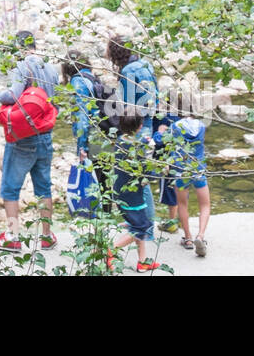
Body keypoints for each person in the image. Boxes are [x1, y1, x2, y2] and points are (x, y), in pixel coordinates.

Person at [0, 31, 59, 251]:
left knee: (10, 189)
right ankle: (46, 236)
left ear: (18, 48)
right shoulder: (51, 67)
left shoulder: (21, 67)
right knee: (44, 188)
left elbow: (12, 95)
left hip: (23, 139)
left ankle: (13, 237)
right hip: (45, 135)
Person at [107, 110, 160, 273]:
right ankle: (111, 250)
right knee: (142, 226)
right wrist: (156, 162)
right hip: (132, 196)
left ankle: (143, 261)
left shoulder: (119, 141)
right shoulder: (138, 147)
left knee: (137, 222)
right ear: (140, 126)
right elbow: (147, 174)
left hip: (120, 191)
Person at [157, 100, 210, 257]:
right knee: (205, 205)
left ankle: (187, 238)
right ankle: (200, 236)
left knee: (182, 203)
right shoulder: (201, 126)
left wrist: (160, 131)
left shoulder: (175, 127)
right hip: (198, 169)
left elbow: (161, 141)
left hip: (180, 170)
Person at [60, 50, 111, 214]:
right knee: (105, 182)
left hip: (93, 138)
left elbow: (82, 116)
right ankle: (107, 220)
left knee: (93, 182)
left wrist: (82, 146)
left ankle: (96, 224)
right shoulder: (93, 77)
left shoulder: (78, 82)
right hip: (106, 135)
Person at [106, 34, 157, 140]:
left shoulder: (128, 70)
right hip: (150, 115)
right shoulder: (145, 63)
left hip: (136, 122)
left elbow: (128, 104)